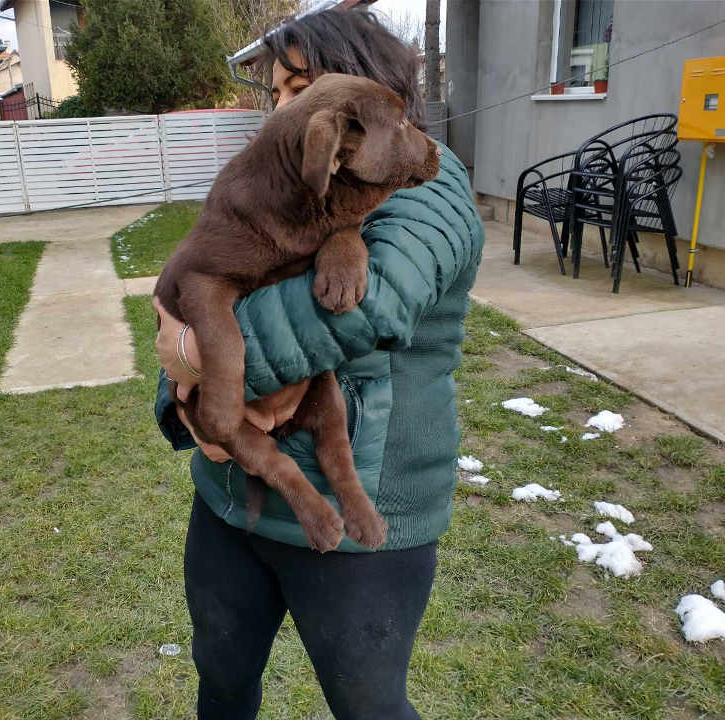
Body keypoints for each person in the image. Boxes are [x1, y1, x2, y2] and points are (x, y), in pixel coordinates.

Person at [152, 7, 484, 719]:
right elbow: (203, 277)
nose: (286, 109)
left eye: (298, 86)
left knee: (368, 707)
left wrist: (194, 357)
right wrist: (184, 385)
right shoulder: (292, 182)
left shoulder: (433, 183)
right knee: (223, 679)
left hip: (360, 504)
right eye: (277, 93)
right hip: (231, 494)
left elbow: (376, 305)